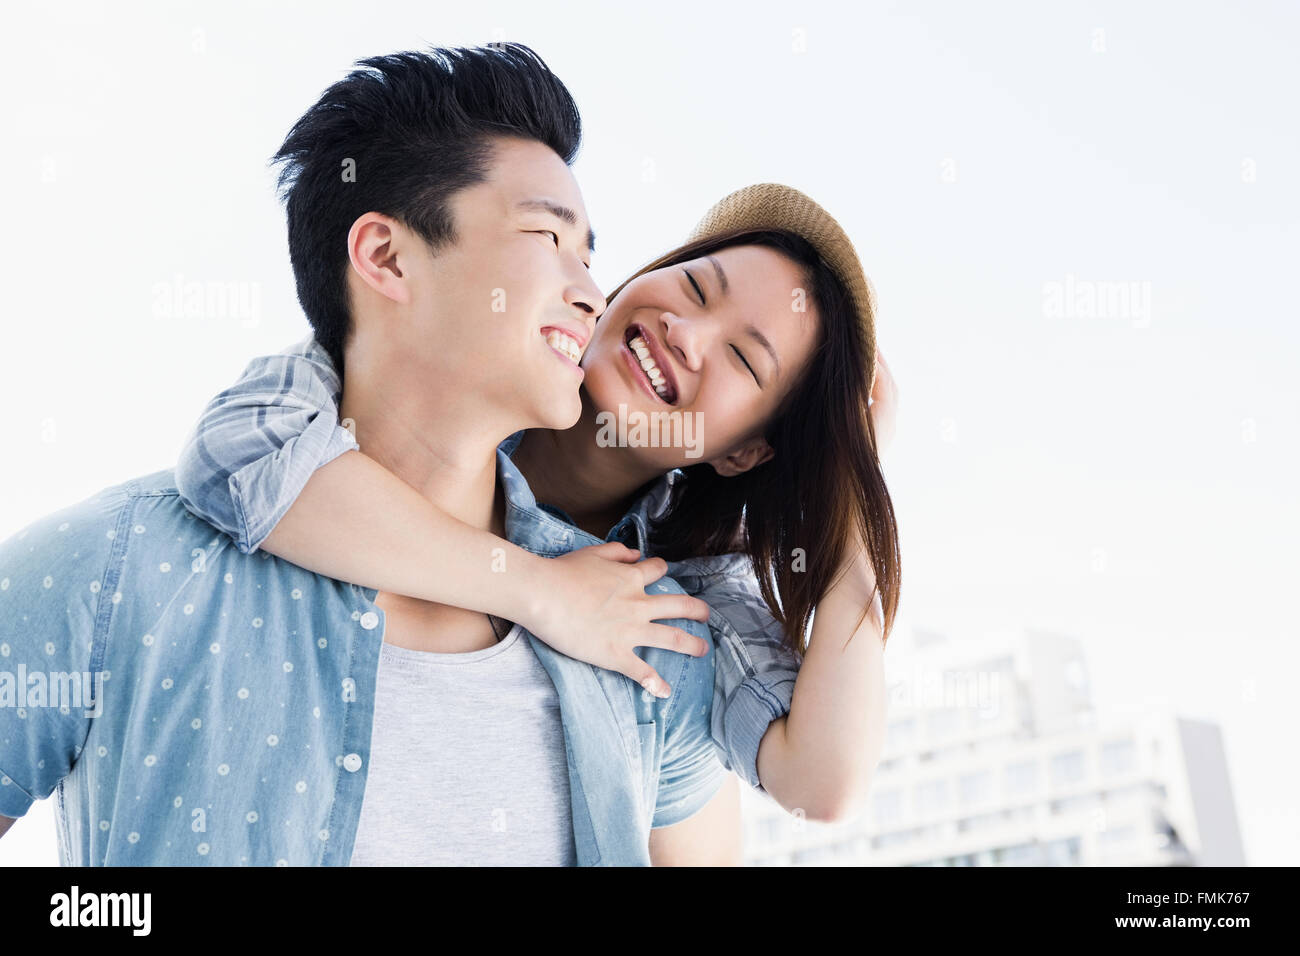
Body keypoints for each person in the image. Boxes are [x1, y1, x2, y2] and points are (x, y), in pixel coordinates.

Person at [0, 44, 726, 867]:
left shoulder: (638, 629)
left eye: (588, 255)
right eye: (546, 237)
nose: (591, 291)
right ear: (385, 256)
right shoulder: (115, 572)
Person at [173, 168, 903, 842]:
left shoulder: (688, 588)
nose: (687, 333)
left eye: (744, 360)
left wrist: (855, 504)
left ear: (745, 452)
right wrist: (542, 592)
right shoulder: (456, 354)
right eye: (697, 289)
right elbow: (237, 454)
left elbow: (822, 783)